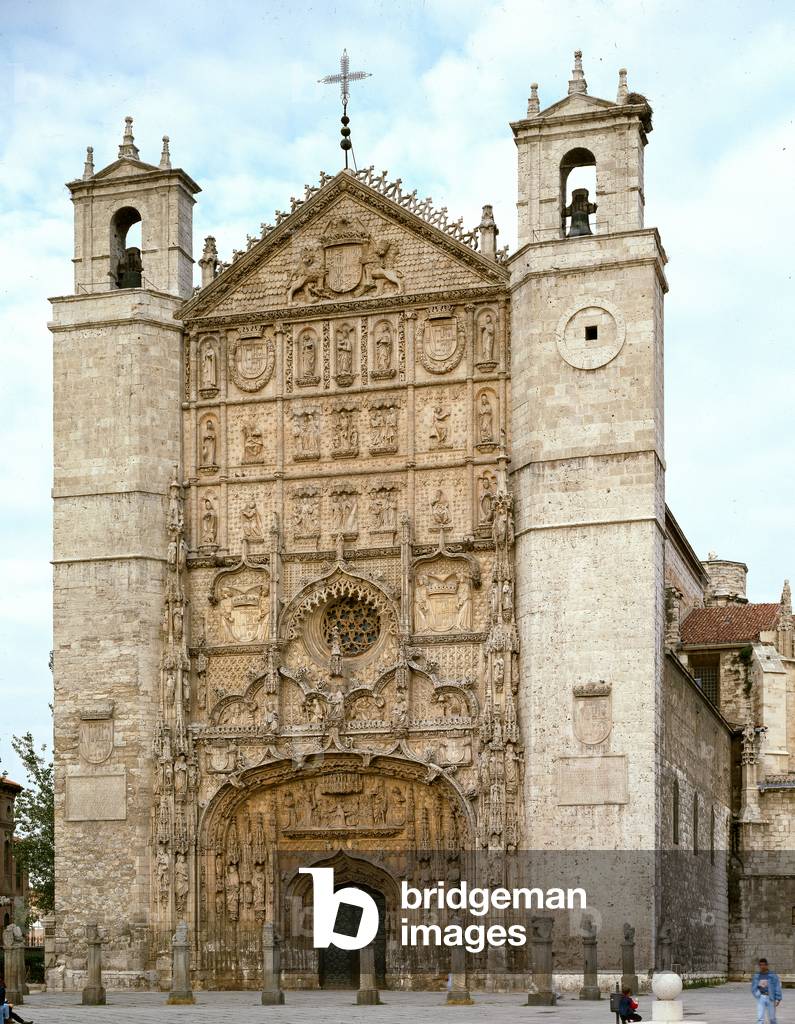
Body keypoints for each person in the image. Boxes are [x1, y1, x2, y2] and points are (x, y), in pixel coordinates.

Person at [752, 958, 782, 1024]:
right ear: (759, 966)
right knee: (760, 1019)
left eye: (763, 965)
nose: (762, 967)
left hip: (770, 997)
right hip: (761, 997)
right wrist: (757, 992)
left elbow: (777, 986)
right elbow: (753, 987)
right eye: (760, 965)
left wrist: (778, 998)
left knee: (772, 1019)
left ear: (767, 965)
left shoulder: (773, 975)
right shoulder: (756, 975)